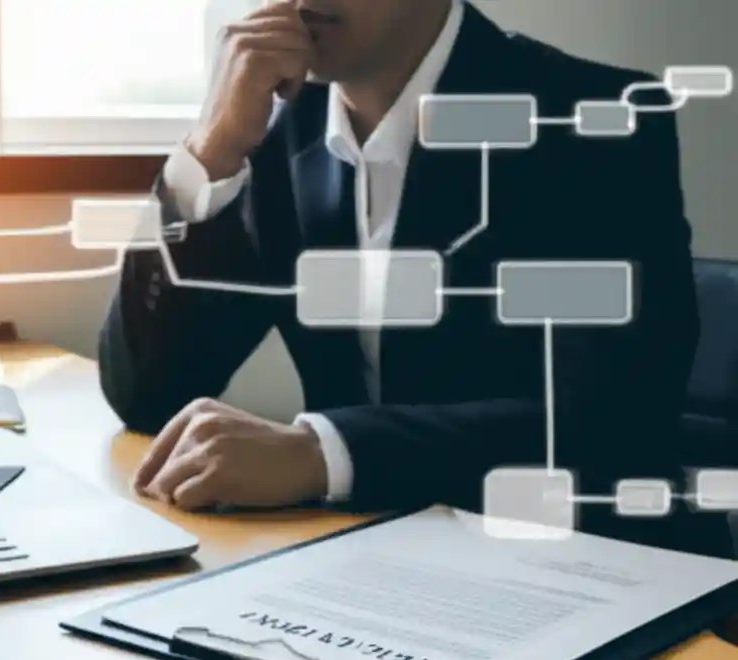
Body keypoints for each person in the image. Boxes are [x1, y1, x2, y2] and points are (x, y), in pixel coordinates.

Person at [98, 0, 732, 557]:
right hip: (361, 554)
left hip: (580, 559)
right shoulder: (273, 126)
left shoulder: (595, 121)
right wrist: (210, 151)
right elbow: (150, 396)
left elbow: (612, 422)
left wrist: (322, 452)